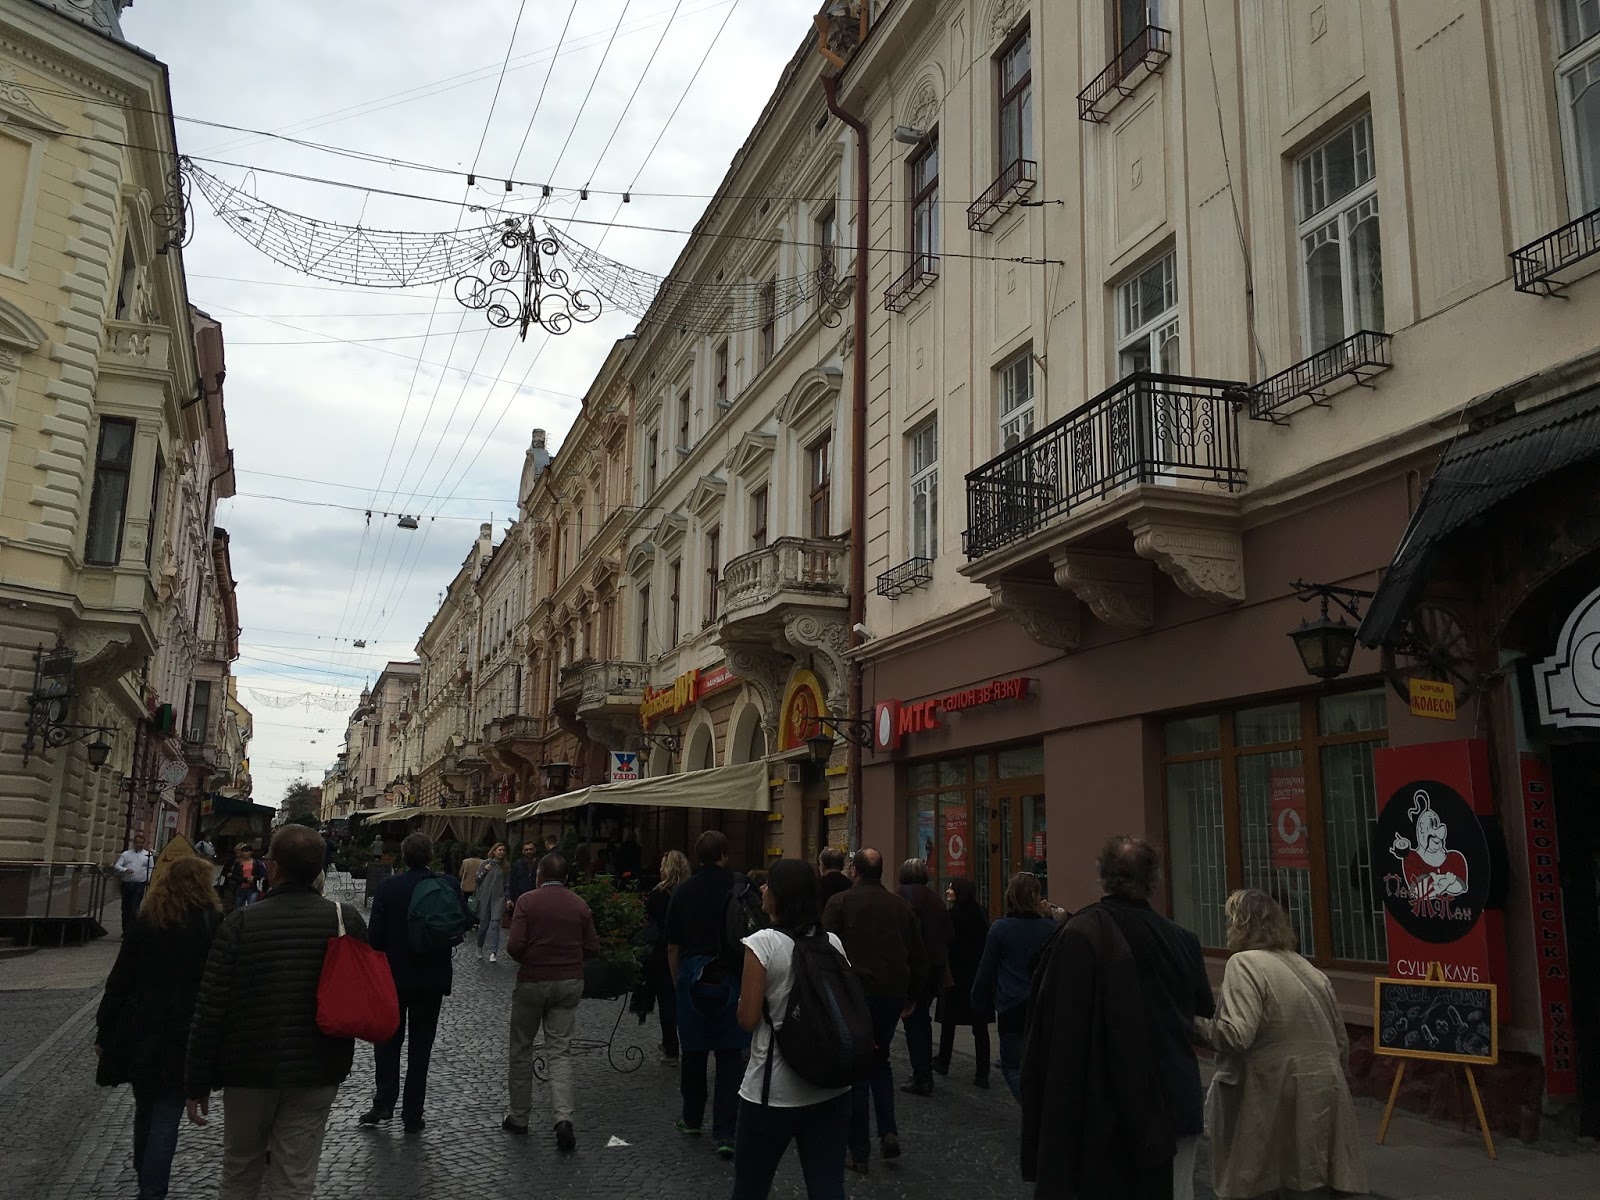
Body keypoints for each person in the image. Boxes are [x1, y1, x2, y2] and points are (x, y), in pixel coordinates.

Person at [1020, 836, 1215, 1200]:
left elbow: (1055, 1029)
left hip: (1107, 1105)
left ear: (1103, 876)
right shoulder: (1182, 939)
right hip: (1173, 1095)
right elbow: (1202, 1008)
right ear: (1153, 880)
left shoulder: (1081, 933)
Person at [185, 825, 368, 1200]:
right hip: (317, 1067)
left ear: (274, 867)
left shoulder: (240, 923)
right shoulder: (346, 921)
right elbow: (361, 992)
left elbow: (211, 1006)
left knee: (240, 1168)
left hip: (248, 1069)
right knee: (294, 1176)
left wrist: (197, 1080)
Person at [1194, 889, 1367, 1200]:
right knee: (1310, 1182)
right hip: (1324, 1091)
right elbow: (1341, 1042)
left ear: (1241, 924)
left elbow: (1236, 1034)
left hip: (1272, 1093)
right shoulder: (1309, 969)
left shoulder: (1244, 963)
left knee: (1264, 1181)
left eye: (1231, 921)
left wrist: (1191, 1025)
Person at [96, 855, 223, 1200]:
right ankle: (152, 1191)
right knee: (167, 1112)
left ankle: (146, 1181)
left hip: (142, 1026)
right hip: (185, 1028)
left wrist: (104, 1029)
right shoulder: (211, 923)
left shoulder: (147, 921)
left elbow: (120, 980)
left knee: (145, 1109)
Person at [730, 858, 852, 1199]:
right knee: (828, 1189)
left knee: (750, 1188)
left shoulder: (762, 943)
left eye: (769, 884)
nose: (763, 890)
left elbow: (747, 1019)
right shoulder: (832, 942)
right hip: (831, 1087)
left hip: (772, 1091)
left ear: (779, 896)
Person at [821, 848, 926, 1174]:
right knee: (880, 1061)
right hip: (891, 994)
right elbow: (917, 954)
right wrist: (912, 995)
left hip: (854, 994)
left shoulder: (839, 903)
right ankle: (888, 1130)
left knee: (858, 1068)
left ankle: (859, 1150)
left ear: (854, 871)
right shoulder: (901, 906)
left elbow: (824, 950)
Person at [362, 832, 470, 1133]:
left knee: (388, 1041)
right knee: (421, 1047)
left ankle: (384, 1102)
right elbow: (462, 921)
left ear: (404, 856)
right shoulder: (448, 884)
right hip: (432, 978)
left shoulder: (389, 887)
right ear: (431, 856)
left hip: (394, 978)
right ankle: (413, 1112)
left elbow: (375, 938)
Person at [504, 851, 599, 1150]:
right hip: (569, 982)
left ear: (539, 876)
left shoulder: (527, 902)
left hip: (533, 980)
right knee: (560, 1052)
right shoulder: (579, 904)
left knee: (522, 1047)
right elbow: (592, 947)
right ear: (566, 878)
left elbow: (514, 945)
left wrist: (530, 958)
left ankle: (519, 1117)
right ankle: (563, 1119)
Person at [666, 829, 752, 1158]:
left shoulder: (684, 891)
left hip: (693, 974)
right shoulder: (739, 887)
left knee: (694, 1052)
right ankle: (726, 1132)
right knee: (730, 1056)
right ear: (725, 855)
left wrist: (678, 980)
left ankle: (691, 1118)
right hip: (731, 975)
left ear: (697, 857)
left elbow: (673, 945)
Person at [971, 871, 1058, 1100]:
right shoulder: (1049, 928)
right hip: (1042, 1003)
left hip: (1012, 1004)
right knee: (1042, 1064)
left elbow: (986, 969)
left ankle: (1032, 1108)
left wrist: (978, 1001)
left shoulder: (1000, 928)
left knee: (1012, 1066)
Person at [896, 858, 952, 1096]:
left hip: (913, 968)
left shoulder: (902, 896)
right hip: (934, 968)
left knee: (913, 1021)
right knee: (921, 1021)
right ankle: (923, 1071)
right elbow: (948, 933)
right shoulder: (935, 899)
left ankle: (922, 1074)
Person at [934, 877, 991, 1088]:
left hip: (956, 974)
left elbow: (945, 943)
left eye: (951, 888)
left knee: (949, 1022)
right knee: (980, 1026)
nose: (948, 891)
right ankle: (982, 1072)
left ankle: (943, 1061)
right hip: (977, 974)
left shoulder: (951, 916)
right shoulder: (981, 914)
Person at [646, 850, 691, 1064]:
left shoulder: (658, 893)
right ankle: (689, 1044)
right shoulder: (691, 891)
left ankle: (671, 1046)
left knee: (666, 1001)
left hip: (663, 950)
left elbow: (650, 922)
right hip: (688, 949)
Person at [113, 832, 155, 935]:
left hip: (139, 884)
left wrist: (148, 879)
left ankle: (132, 931)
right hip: (126, 884)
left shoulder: (147, 856)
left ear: (143, 843)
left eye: (141, 843)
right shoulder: (126, 854)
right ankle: (125, 930)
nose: (139, 844)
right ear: (134, 843)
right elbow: (117, 866)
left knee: (134, 908)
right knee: (125, 908)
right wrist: (124, 870)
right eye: (137, 842)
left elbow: (151, 868)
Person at [474, 842, 509, 962]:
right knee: (483, 927)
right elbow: (477, 880)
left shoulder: (505, 867)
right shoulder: (485, 863)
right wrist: (485, 870)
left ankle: (493, 952)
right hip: (485, 899)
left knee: (495, 926)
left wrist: (508, 899)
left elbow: (507, 884)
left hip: (498, 899)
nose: (502, 852)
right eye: (499, 850)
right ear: (494, 851)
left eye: (503, 850)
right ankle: (479, 947)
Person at [507, 840, 539, 915]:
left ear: (535, 850)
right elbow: (512, 882)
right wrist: (511, 899)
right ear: (522, 851)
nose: (528, 851)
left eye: (530, 849)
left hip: (536, 899)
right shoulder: (517, 865)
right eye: (526, 850)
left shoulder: (540, 864)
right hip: (520, 899)